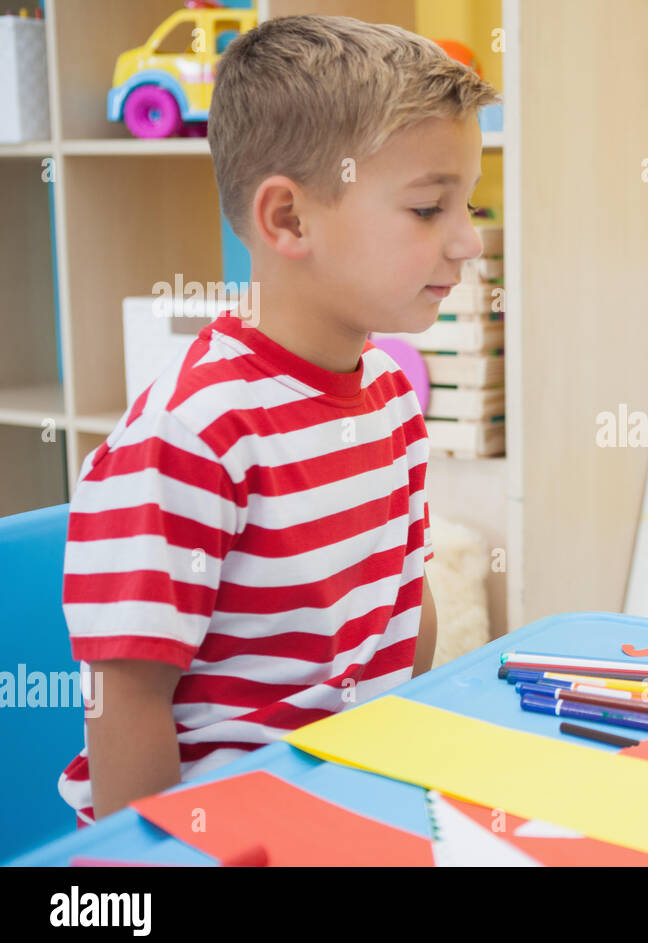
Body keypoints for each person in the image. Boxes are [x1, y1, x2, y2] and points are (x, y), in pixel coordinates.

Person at [59, 15, 499, 823]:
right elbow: (122, 702)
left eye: (467, 204)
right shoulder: (191, 438)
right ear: (288, 221)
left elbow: (408, 606)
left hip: (349, 797)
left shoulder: (390, 400)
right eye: (431, 209)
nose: (468, 242)